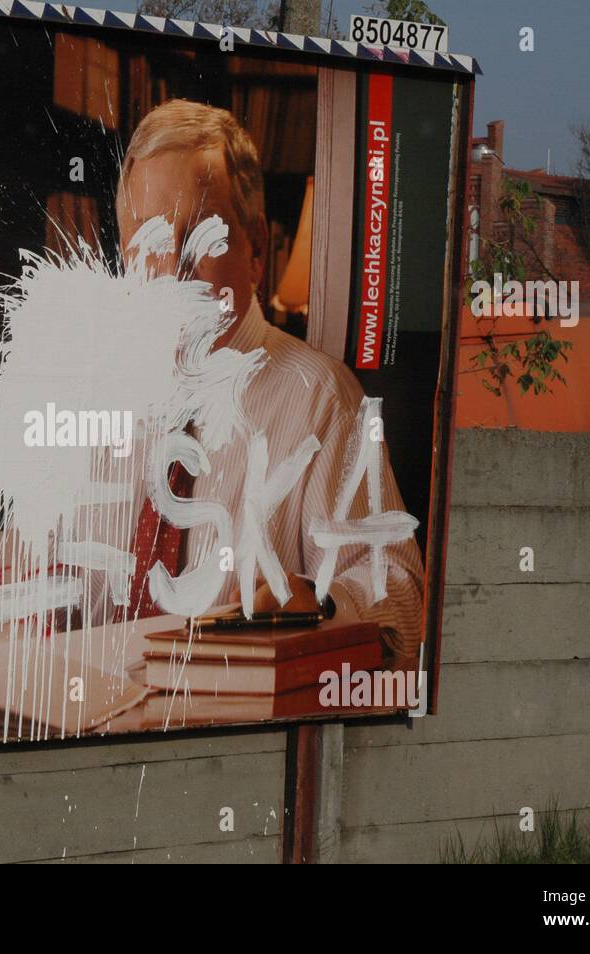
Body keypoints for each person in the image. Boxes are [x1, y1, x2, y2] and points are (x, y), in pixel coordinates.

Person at [109, 98, 425, 658]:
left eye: (199, 239)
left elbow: (398, 600)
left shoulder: (320, 398)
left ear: (255, 249)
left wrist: (320, 603)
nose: (171, 272)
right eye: (149, 244)